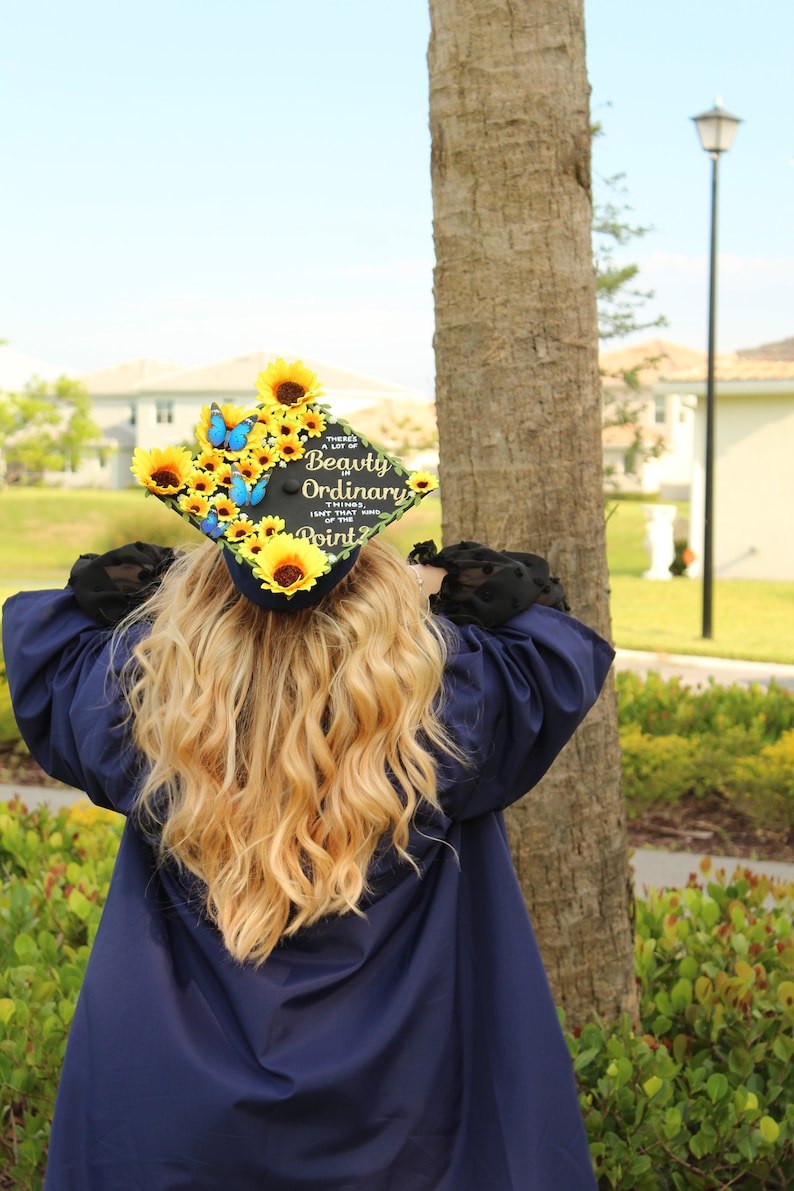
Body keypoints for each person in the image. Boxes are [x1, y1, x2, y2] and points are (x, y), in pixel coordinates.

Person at [3, 360, 613, 1190]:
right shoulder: (453, 708)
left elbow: (52, 625)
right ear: (379, 581)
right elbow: (548, 630)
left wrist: (185, 577)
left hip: (172, 1120)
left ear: (206, 585)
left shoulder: (138, 708)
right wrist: (434, 584)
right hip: (411, 1119)